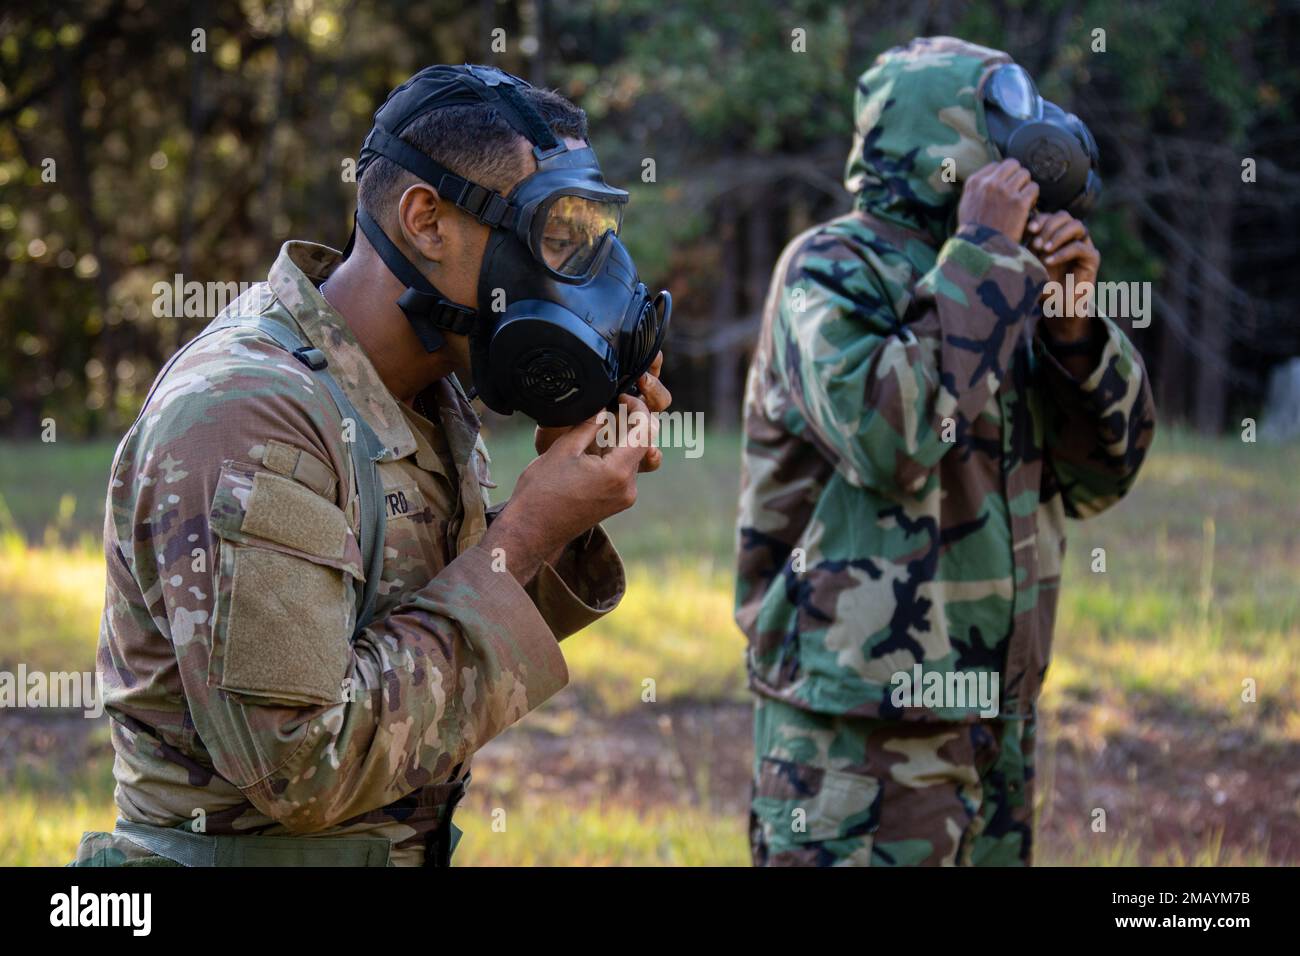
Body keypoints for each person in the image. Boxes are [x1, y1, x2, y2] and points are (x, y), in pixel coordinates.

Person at [74, 65, 670, 867]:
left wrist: (567, 501)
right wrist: (525, 531)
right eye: (552, 241)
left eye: (587, 244)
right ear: (427, 219)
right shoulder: (250, 413)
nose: (579, 281)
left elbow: (411, 640)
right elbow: (304, 768)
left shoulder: (424, 388)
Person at [736, 36, 1155, 866]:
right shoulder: (828, 267)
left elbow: (1103, 476)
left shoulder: (1007, 275)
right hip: (857, 727)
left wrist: (1075, 330)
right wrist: (989, 262)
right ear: (940, 145)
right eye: (997, 121)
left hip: (994, 714)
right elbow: (892, 439)